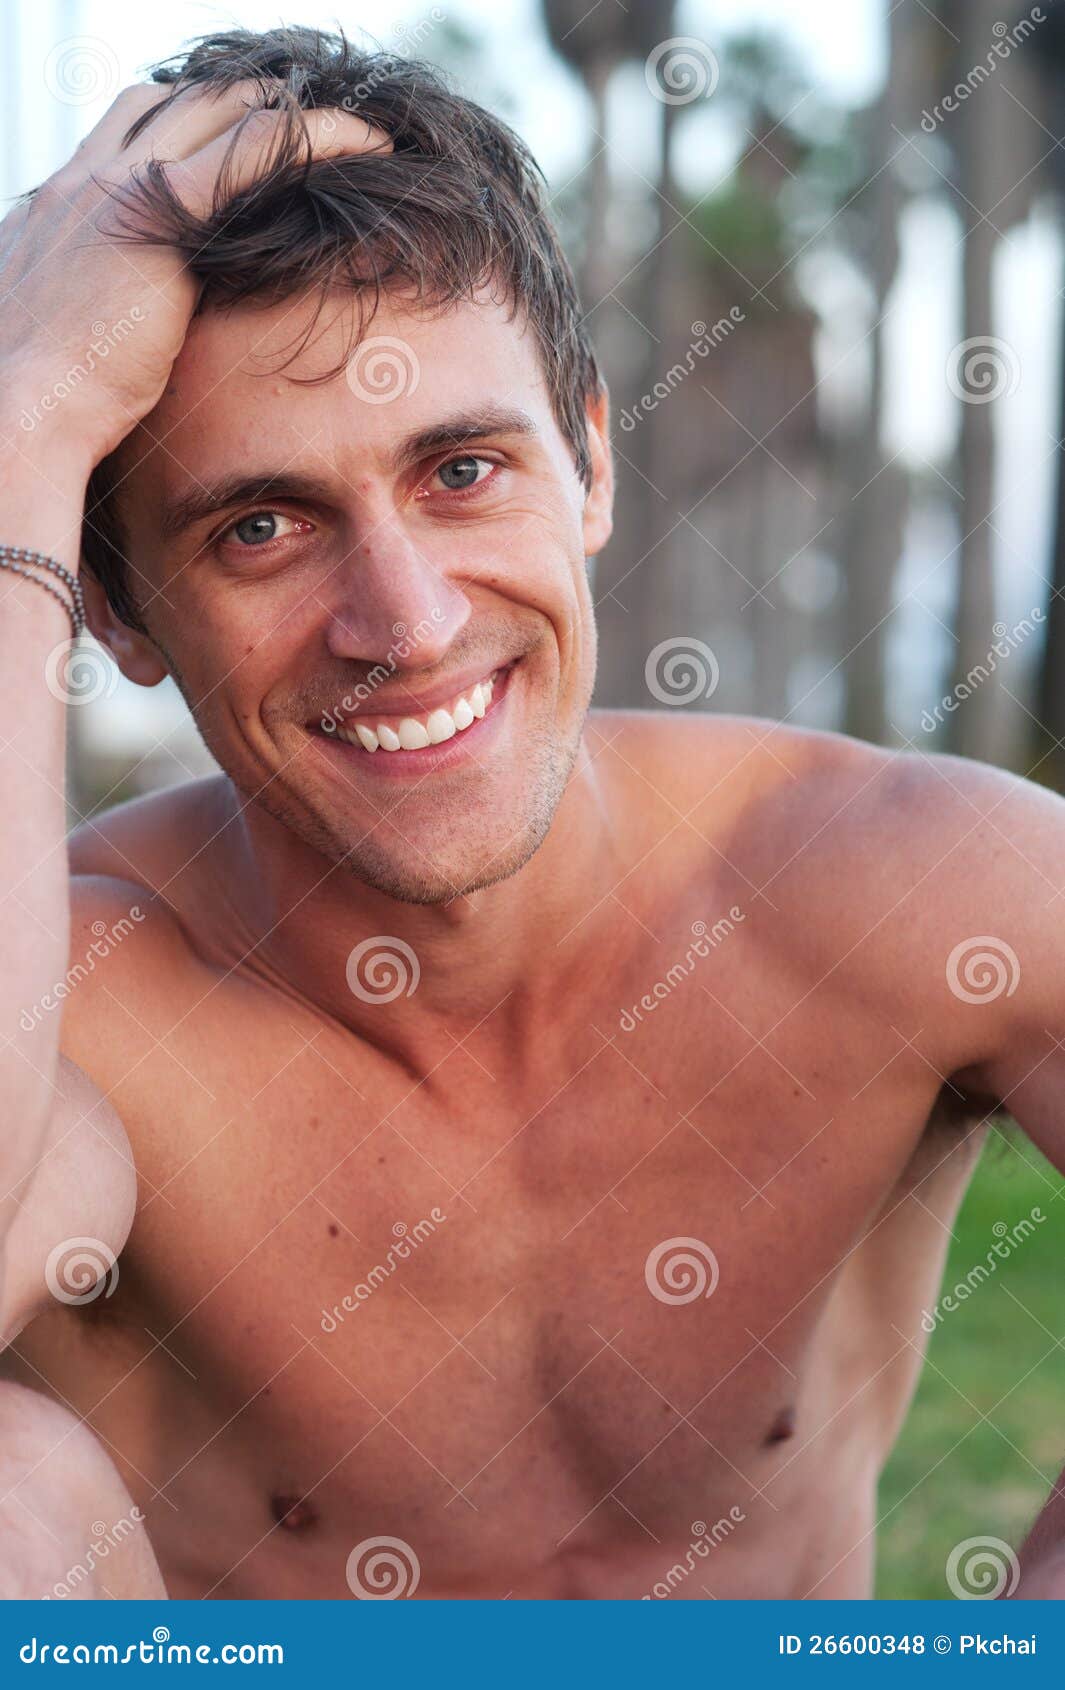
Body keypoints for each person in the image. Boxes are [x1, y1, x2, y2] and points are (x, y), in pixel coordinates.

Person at [0, 24, 1062, 1602]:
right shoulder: (76, 1003)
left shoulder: (912, 884)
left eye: (463, 471)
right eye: (263, 525)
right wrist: (29, 427)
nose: (406, 622)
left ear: (588, 463)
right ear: (120, 612)